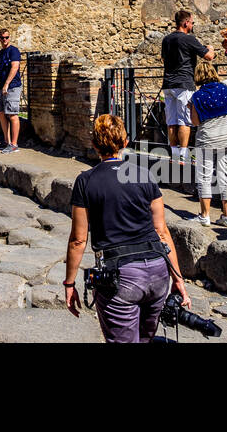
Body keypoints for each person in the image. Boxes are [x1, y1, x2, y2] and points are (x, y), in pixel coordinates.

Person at [64, 114, 191, 343]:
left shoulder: (85, 181)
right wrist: (178, 280)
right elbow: (161, 231)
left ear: (94, 144)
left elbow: (78, 240)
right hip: (157, 273)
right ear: (125, 142)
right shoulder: (144, 175)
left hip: (120, 277)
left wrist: (69, 283)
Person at [188, 43, 227, 227]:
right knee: (225, 176)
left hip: (207, 140)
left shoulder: (196, 96)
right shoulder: (224, 87)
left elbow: (195, 122)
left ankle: (205, 215)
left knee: (204, 177)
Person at [161, 9, 214, 179]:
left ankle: (174, 154)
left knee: (171, 121)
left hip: (168, 84)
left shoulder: (166, 39)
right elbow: (208, 56)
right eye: (192, 23)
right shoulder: (188, 38)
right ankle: (182, 156)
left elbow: (164, 58)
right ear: (185, 23)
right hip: (184, 84)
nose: (192, 26)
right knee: (184, 121)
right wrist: (211, 48)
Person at [0, 28, 22, 154]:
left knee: (12, 114)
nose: (4, 40)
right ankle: (6, 141)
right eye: (2, 38)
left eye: (7, 37)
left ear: (10, 38)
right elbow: (1, 70)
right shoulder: (1, 52)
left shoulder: (13, 51)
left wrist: (7, 84)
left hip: (13, 86)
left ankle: (14, 144)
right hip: (3, 87)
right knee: (0, 112)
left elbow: (15, 67)